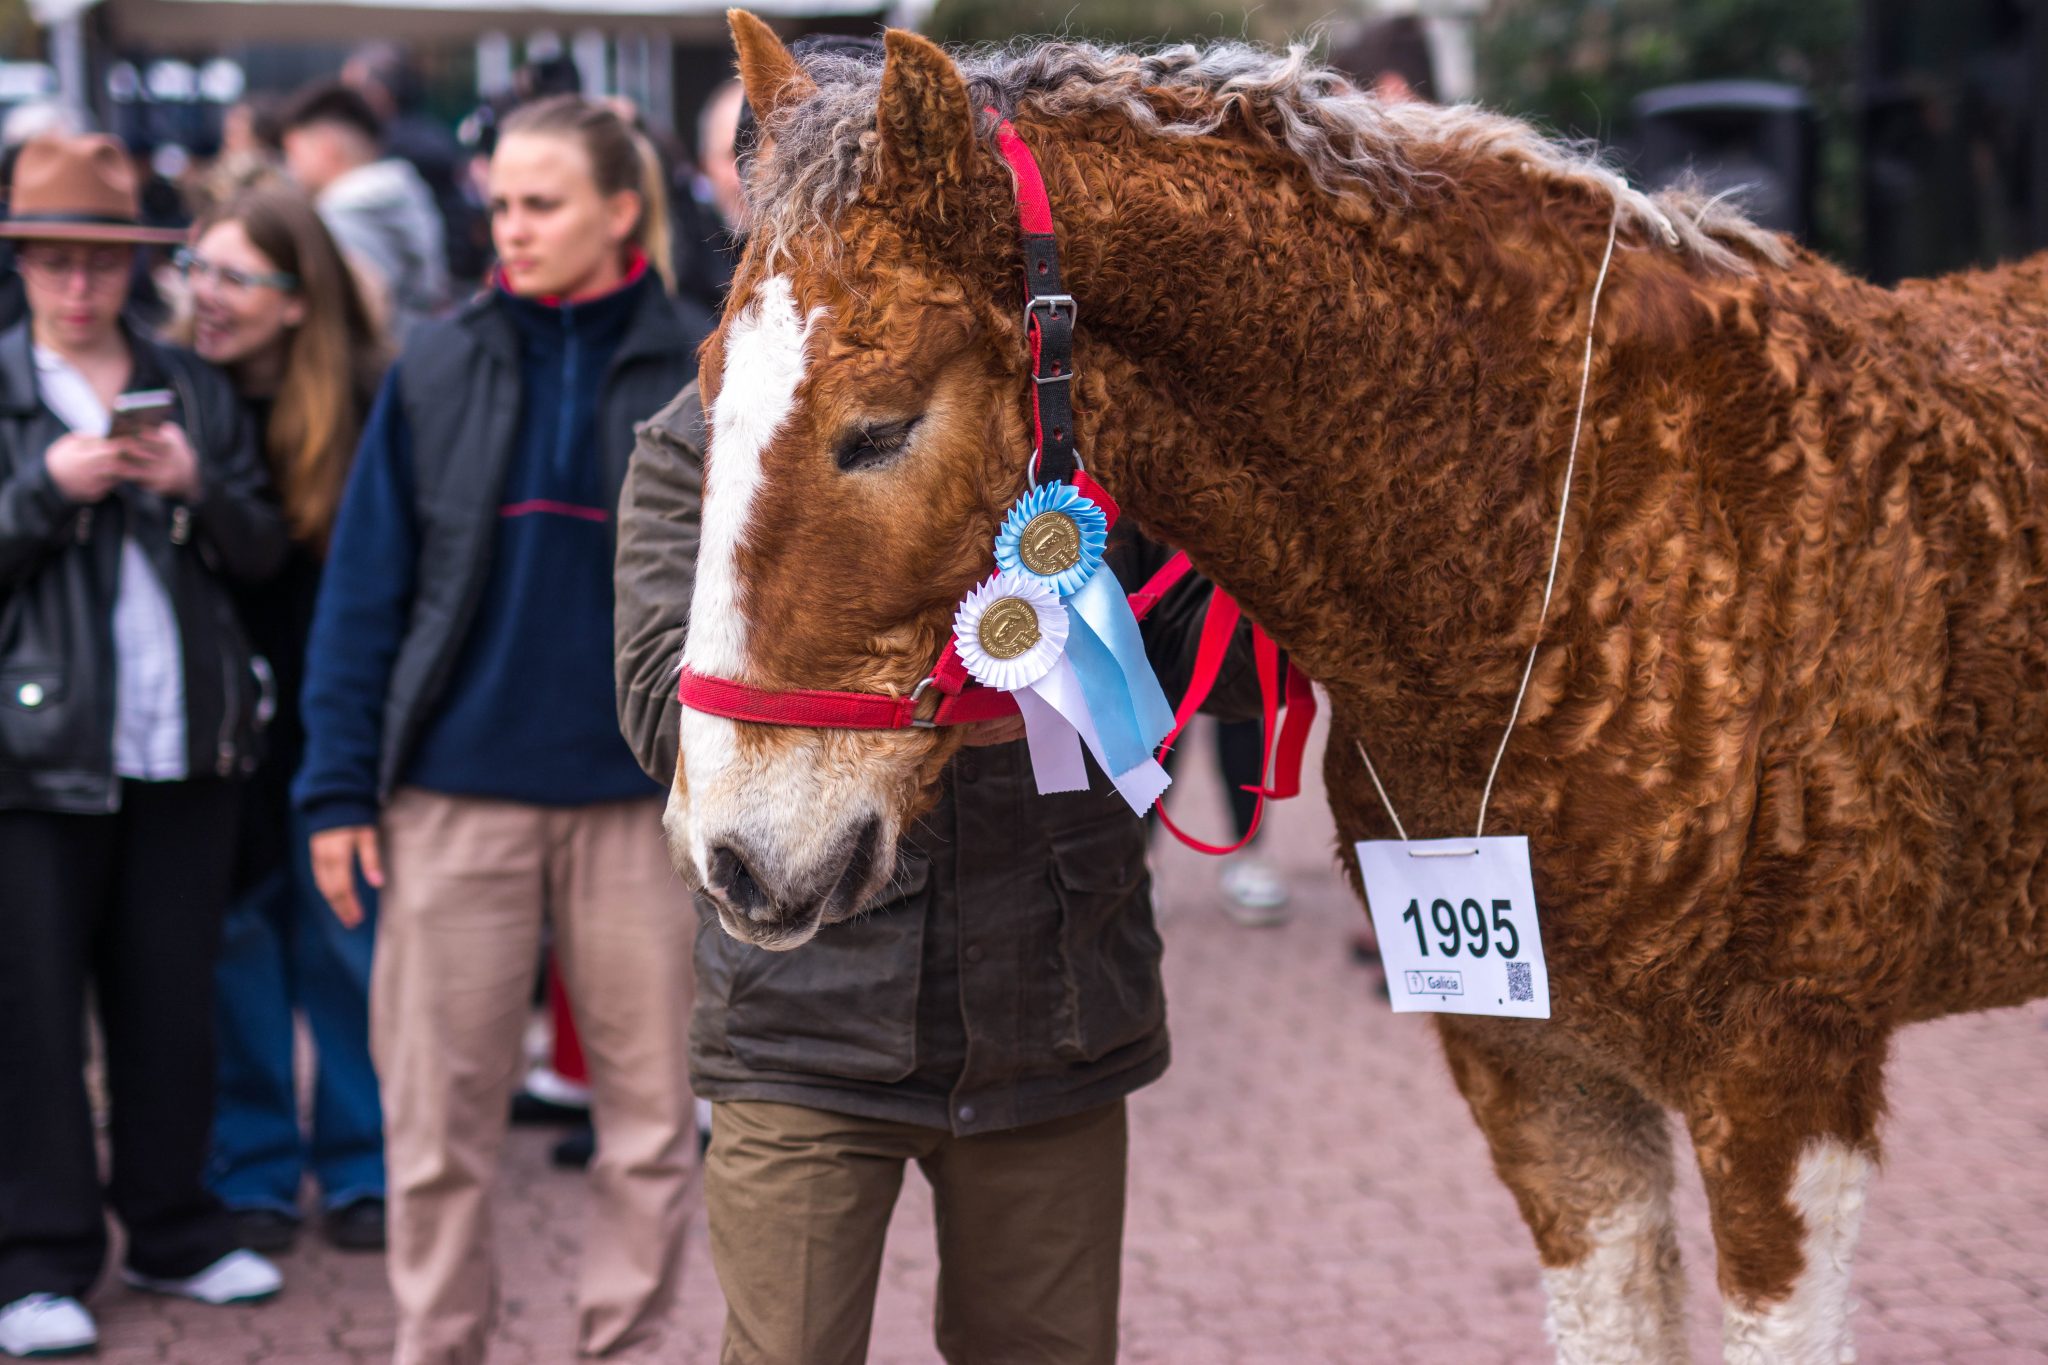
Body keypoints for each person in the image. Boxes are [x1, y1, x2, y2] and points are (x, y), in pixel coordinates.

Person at [615, 392, 1262, 1365]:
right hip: (807, 1028)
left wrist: (1289, 527)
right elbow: (657, 703)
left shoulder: (1089, 411)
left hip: (1056, 1016)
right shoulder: (701, 434)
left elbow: (1217, 665)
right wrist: (929, 694)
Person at [294, 94, 708, 1364]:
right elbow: (364, 590)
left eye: (541, 204)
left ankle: (619, 1348)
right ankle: (440, 1347)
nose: (509, 227)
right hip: (452, 797)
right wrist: (335, 790)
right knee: (434, 1129)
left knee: (651, 1125)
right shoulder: (437, 362)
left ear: (620, 212)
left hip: (641, 803)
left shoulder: (705, 363)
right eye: (500, 204)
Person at [0, 132, 287, 1359]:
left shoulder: (189, 382)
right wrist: (45, 487)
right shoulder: (9, 385)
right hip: (33, 754)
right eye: (55, 261)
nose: (79, 286)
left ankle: (173, 1227)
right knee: (32, 1015)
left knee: (172, 1002)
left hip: (182, 745)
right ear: (22, 261)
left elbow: (264, 547)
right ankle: (38, 1258)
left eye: (102, 262)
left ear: (133, 268)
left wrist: (191, 484)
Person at [171, 183, 393, 1255]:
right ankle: (254, 1163)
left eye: (234, 276)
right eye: (196, 269)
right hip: (214, 725)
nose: (205, 296)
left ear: (298, 300)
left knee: (346, 945)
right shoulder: (174, 395)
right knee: (237, 944)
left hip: (332, 717)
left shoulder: (366, 401)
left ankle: (362, 1162)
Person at [279, 81, 447, 343]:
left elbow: (357, 320)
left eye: (292, 152)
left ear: (326, 148)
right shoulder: (397, 196)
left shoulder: (343, 218)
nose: (288, 168)